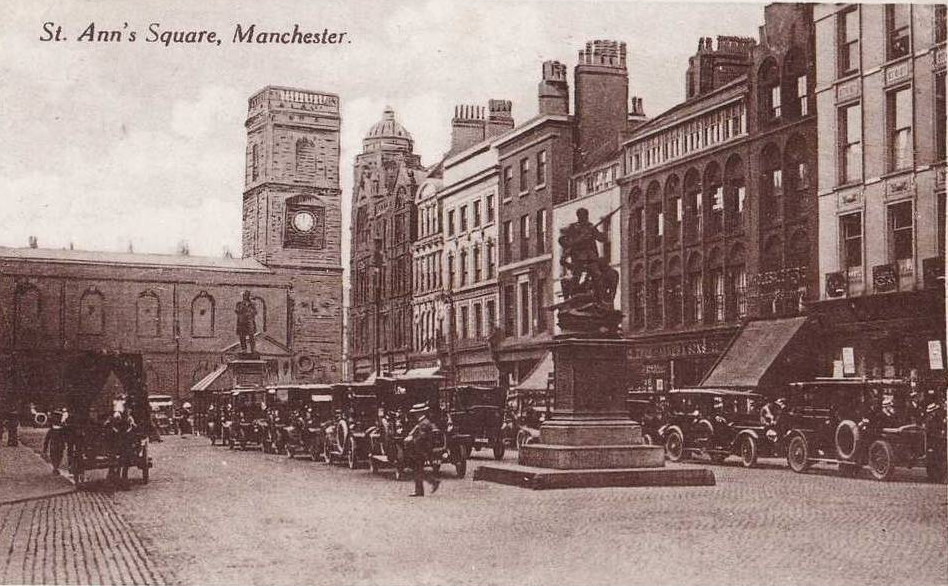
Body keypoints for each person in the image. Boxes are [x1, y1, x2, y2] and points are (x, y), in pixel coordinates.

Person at [404, 402, 440, 497]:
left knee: (417, 469)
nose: (415, 415)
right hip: (422, 449)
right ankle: (421, 489)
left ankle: (430, 484)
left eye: (416, 413)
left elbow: (422, 437)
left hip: (421, 450)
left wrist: (411, 440)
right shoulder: (424, 422)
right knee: (418, 469)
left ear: (419, 413)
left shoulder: (423, 423)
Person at [43, 407, 70, 474]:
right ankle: (56, 467)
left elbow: (47, 439)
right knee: (58, 456)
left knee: (54, 456)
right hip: (59, 445)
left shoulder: (52, 430)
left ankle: (55, 467)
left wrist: (45, 448)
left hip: (54, 445)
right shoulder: (62, 429)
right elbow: (66, 438)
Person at [235, 290, 258, 354]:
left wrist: (250, 312)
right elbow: (237, 311)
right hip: (241, 322)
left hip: (249, 322)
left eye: (246, 295)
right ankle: (244, 349)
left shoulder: (252, 304)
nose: (245, 296)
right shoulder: (239, 304)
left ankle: (253, 349)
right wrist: (243, 308)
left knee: (251, 336)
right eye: (244, 295)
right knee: (242, 336)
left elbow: (255, 312)